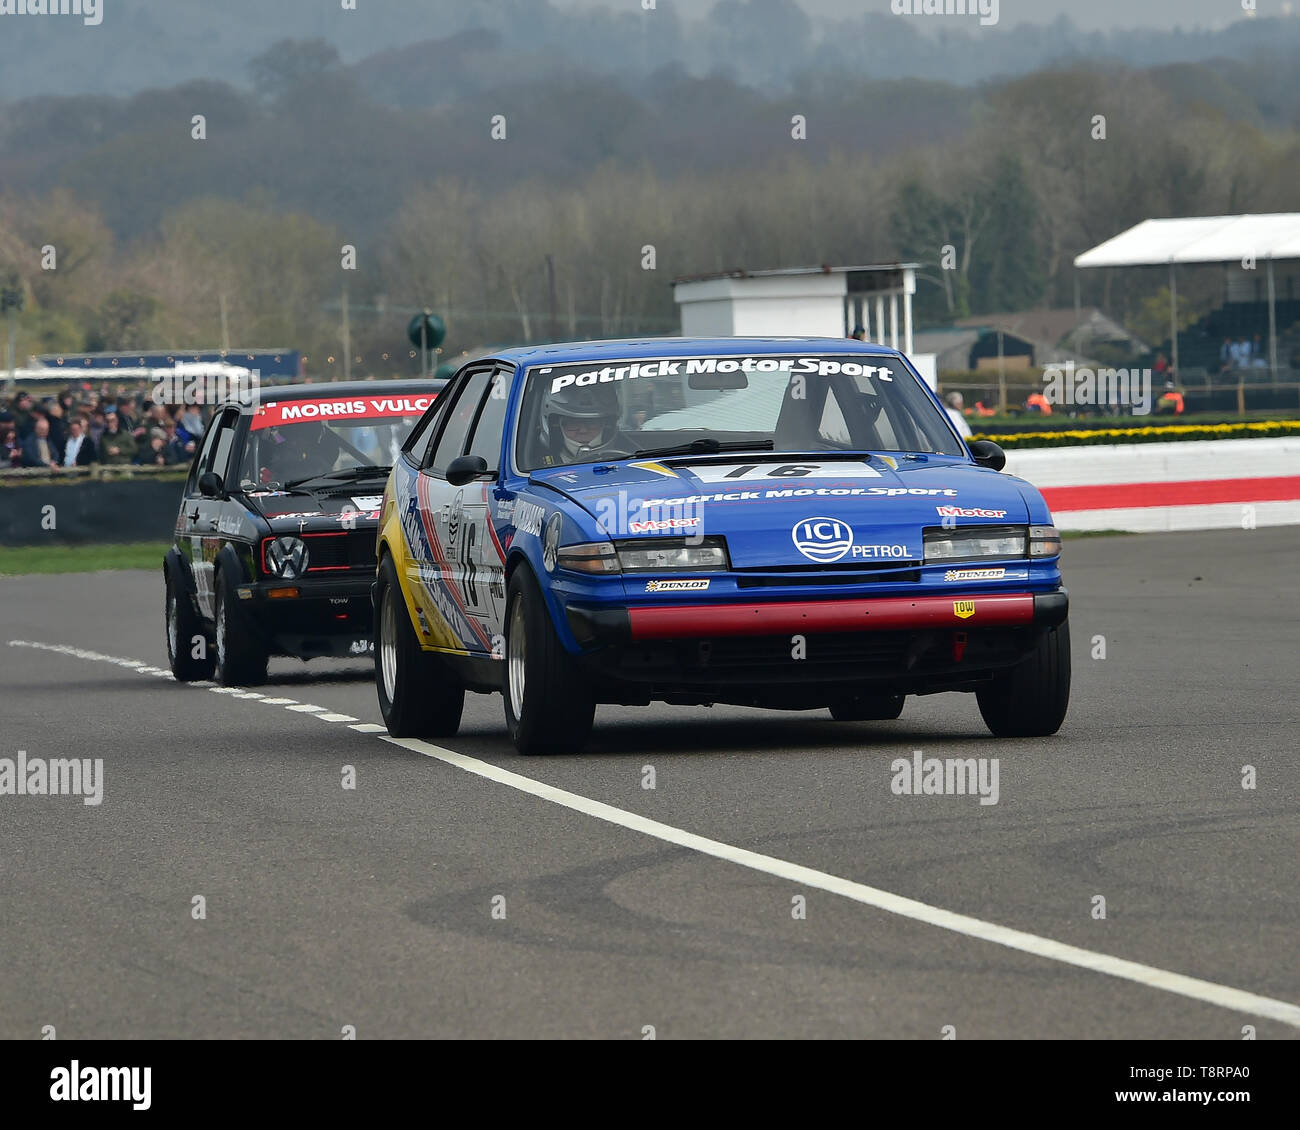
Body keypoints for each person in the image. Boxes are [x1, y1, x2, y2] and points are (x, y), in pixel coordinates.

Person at [541, 383, 631, 465]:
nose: (583, 430)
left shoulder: (631, 456)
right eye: (573, 424)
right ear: (558, 427)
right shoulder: (535, 463)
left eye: (592, 423)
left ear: (606, 426)